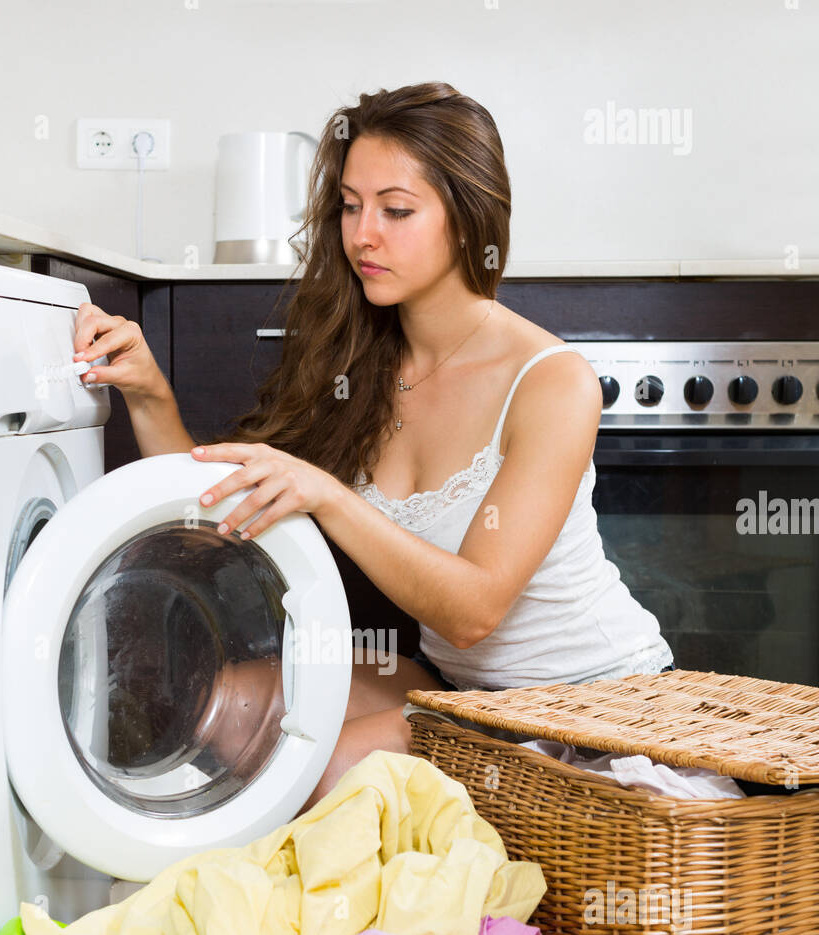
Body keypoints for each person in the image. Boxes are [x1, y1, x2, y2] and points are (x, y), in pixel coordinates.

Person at [71, 81, 673, 813]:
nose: (363, 235)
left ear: (467, 218)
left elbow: (473, 612)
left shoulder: (552, 381)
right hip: (458, 685)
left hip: (581, 700)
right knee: (235, 704)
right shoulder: (361, 362)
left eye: (396, 210)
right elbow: (223, 510)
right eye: (351, 207)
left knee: (317, 778)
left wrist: (324, 494)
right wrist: (147, 392)